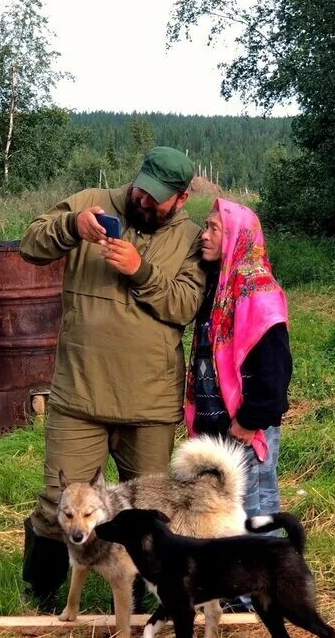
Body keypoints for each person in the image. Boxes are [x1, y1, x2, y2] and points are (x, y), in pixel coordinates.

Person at [19, 146, 205, 608]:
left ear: (182, 199)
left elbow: (185, 305)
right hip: (79, 394)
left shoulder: (191, 239)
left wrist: (140, 271)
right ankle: (40, 597)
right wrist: (71, 227)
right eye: (141, 189)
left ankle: (140, 606)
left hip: (149, 403)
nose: (144, 200)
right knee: (52, 506)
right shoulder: (91, 202)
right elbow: (30, 244)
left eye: (158, 198)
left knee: (148, 514)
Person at [186, 199, 292, 534]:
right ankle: (233, 588)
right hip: (216, 428)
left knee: (253, 517)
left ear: (236, 235)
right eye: (205, 226)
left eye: (214, 228)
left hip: (244, 429)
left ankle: (267, 586)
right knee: (222, 519)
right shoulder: (219, 287)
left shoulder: (257, 290)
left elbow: (275, 371)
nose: (204, 235)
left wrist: (248, 422)